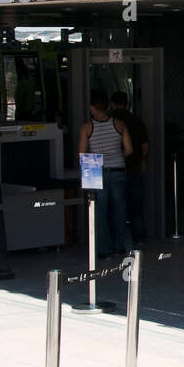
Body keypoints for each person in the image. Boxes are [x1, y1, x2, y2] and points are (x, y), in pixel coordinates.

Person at [78, 89, 132, 258]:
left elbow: (81, 153)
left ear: (93, 108)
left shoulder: (87, 127)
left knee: (99, 211)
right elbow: (129, 150)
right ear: (108, 106)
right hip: (117, 170)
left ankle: (104, 250)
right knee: (119, 209)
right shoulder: (119, 124)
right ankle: (120, 246)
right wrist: (116, 156)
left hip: (96, 172)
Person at [110, 91, 149, 247]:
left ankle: (116, 241)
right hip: (134, 167)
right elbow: (145, 146)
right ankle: (139, 239)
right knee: (136, 206)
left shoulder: (111, 121)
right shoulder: (137, 121)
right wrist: (141, 160)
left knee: (116, 206)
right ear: (127, 103)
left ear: (112, 103)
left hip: (114, 168)